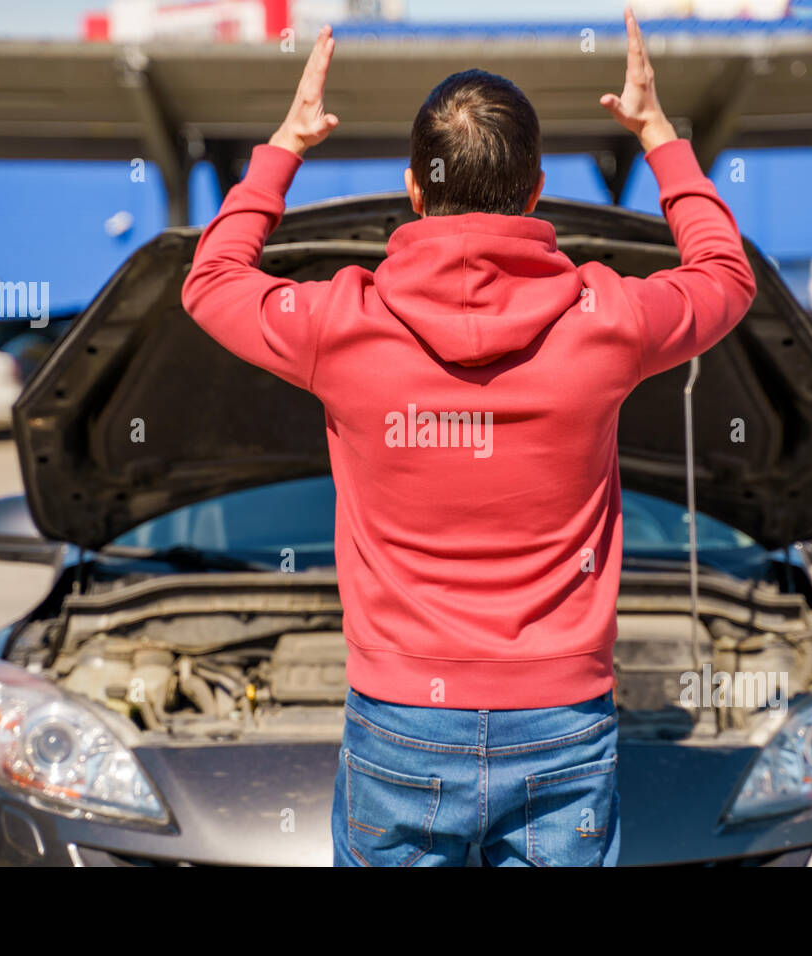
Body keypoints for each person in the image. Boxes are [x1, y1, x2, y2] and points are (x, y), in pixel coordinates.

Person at [181, 6, 756, 866]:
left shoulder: (341, 324)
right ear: (535, 191)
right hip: (563, 723)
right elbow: (724, 274)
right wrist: (658, 134)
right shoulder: (608, 320)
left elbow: (212, 279)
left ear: (416, 188)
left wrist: (284, 149)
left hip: (399, 726)